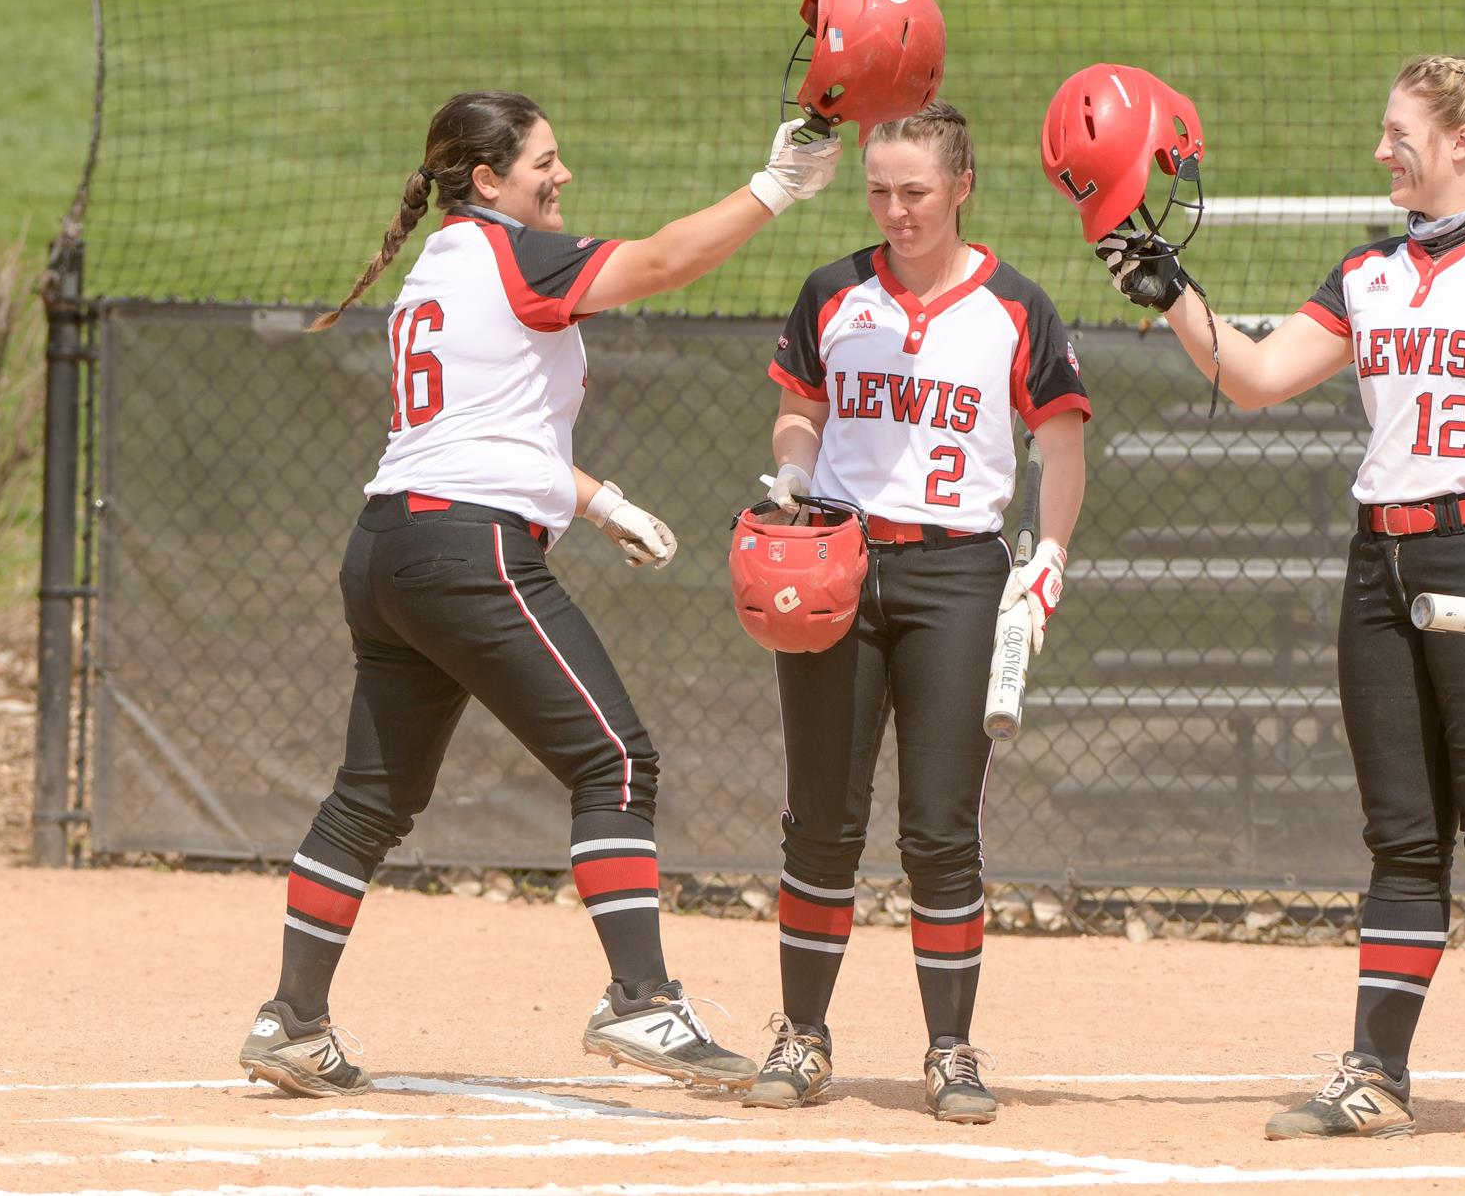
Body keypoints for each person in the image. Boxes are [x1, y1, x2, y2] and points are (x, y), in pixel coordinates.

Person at [236, 90, 842, 1097]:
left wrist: (601, 503)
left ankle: (293, 1020)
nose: (561, 177)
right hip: (465, 552)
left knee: (372, 796)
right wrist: (772, 187)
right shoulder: (509, 251)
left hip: (389, 546)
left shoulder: (443, 264)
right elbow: (658, 263)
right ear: (486, 180)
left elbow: (484, 425)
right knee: (614, 758)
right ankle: (641, 999)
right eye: (542, 163)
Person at [1090, 55, 1465, 1141]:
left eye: (1397, 133)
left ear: (1458, 144)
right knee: (1398, 833)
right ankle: (1374, 1071)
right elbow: (1252, 376)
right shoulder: (1367, 272)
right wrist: (1171, 293)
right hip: (1380, 565)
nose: (1379, 150)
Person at [744, 102, 1091, 1124]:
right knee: (820, 817)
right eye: (879, 191)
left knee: (939, 829)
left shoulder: (1014, 307)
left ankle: (950, 1048)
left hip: (958, 577)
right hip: (840, 562)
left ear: (960, 187)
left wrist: (1050, 559)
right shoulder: (833, 293)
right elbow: (799, 405)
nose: (895, 210)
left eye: (915, 191)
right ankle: (802, 1034)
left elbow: (1059, 444)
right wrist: (789, 475)